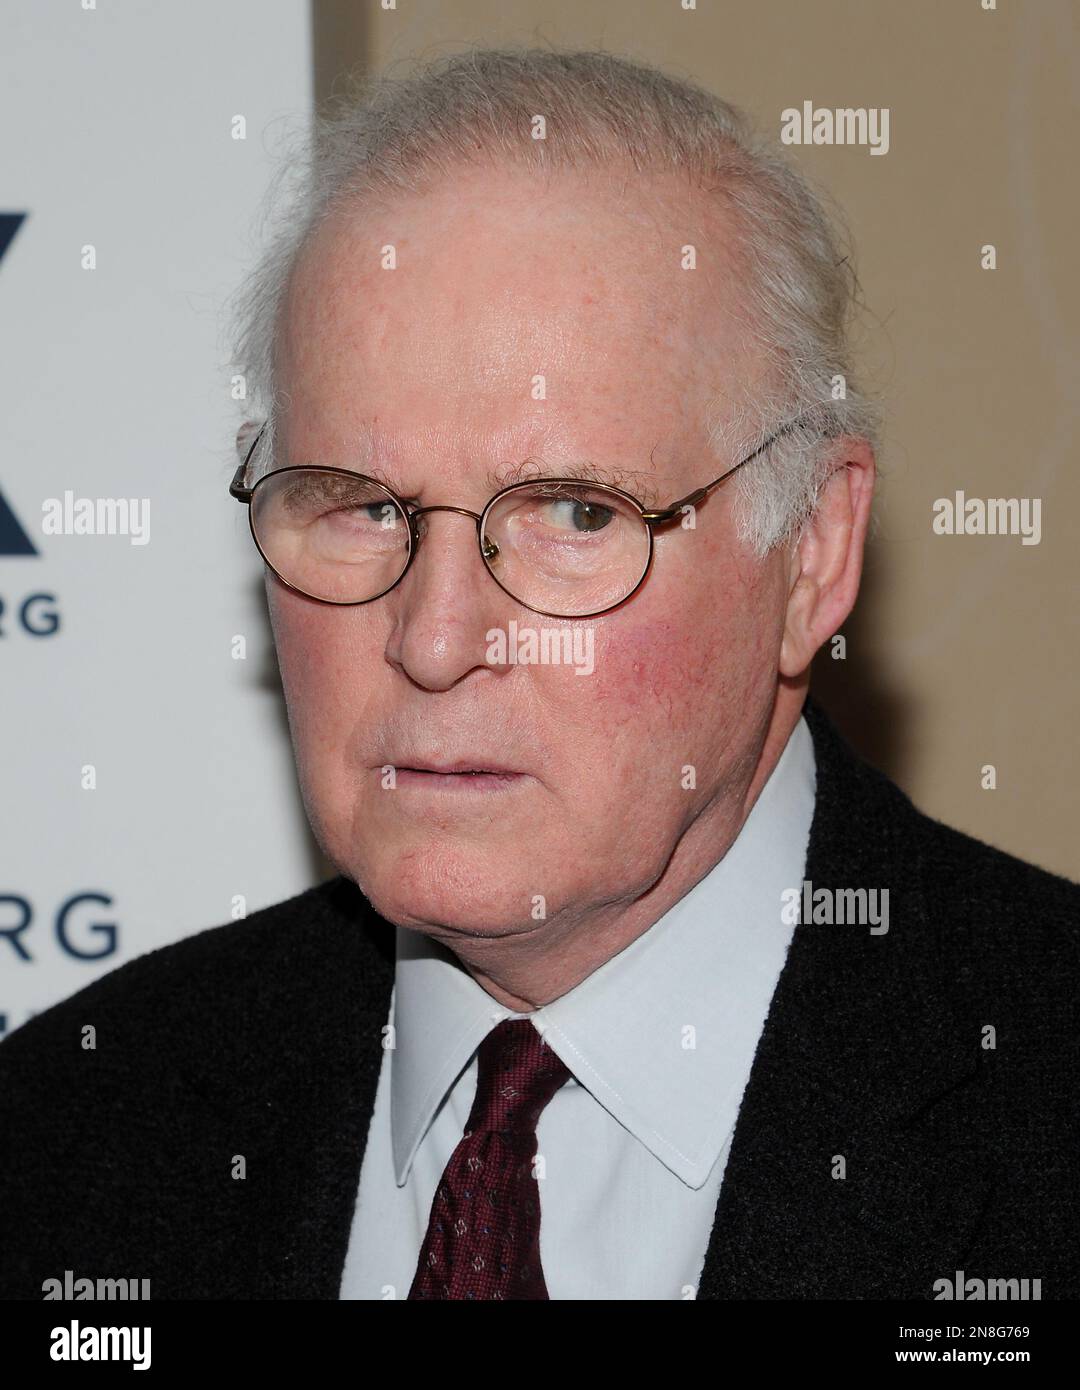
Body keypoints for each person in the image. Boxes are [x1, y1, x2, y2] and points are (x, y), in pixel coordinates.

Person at [2, 48, 1077, 1302]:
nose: (434, 637)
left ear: (813, 556)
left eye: (574, 512)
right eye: (356, 504)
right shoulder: (68, 1133)